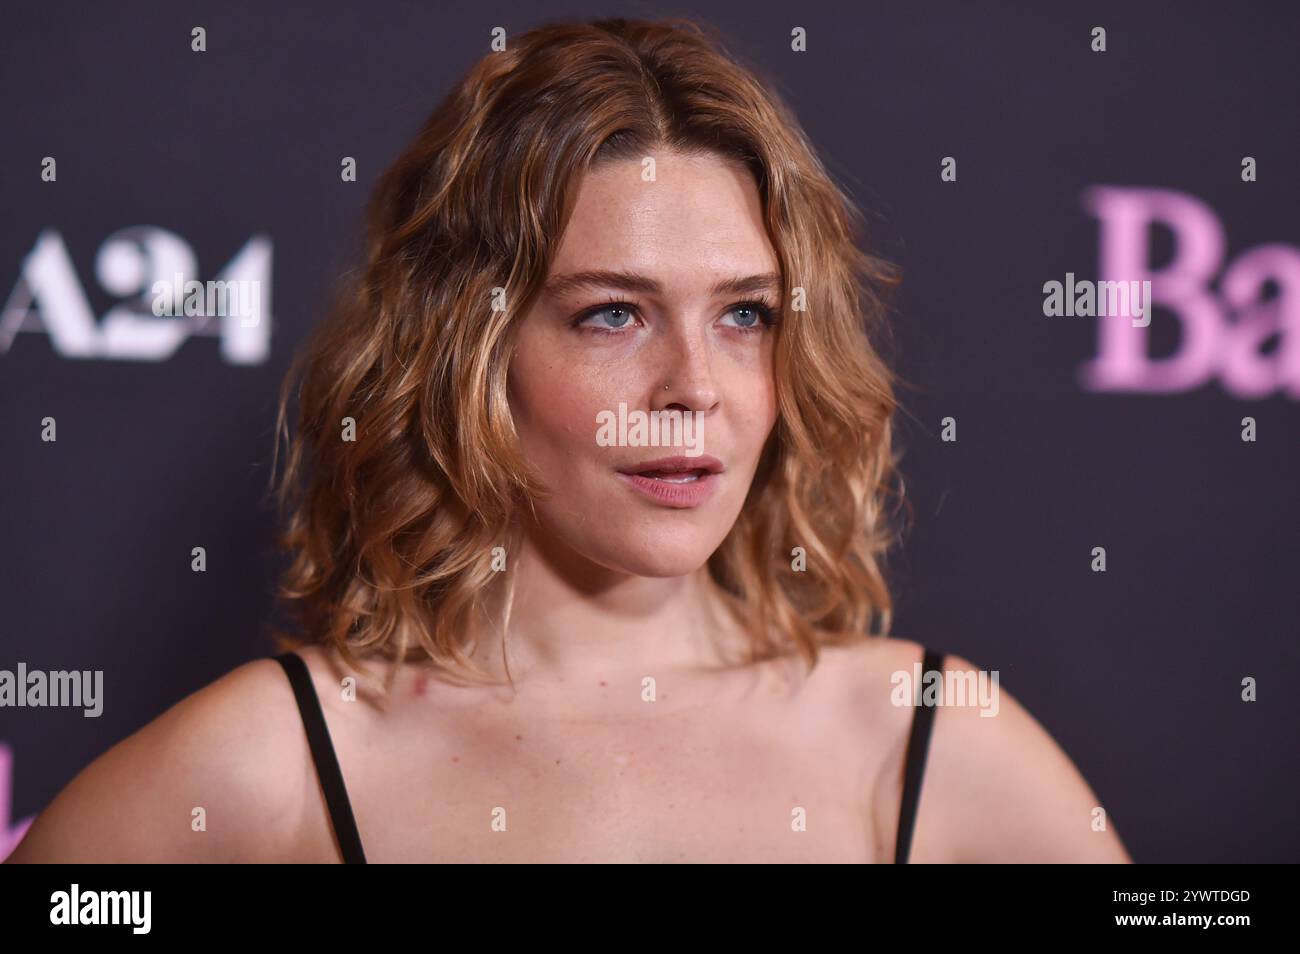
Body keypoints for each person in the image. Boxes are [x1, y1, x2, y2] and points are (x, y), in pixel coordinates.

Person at [6, 17, 1131, 864]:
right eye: (612, 315)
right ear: (467, 351)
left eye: (745, 314)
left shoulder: (929, 739)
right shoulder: (275, 761)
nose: (695, 388)